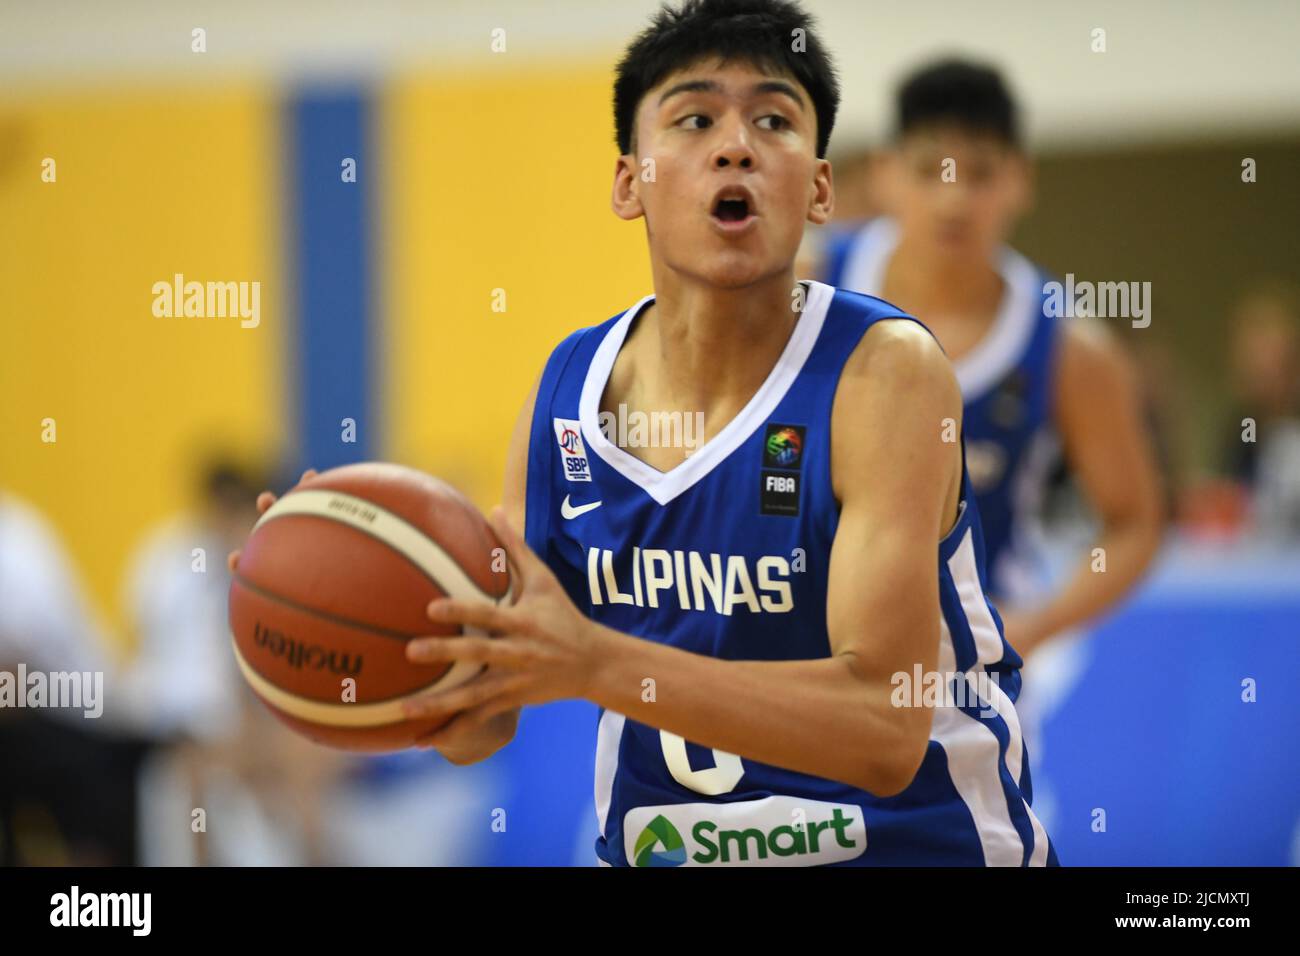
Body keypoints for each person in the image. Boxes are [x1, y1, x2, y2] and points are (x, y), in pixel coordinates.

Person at [236, 0, 1056, 866]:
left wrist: (596, 662)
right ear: (631, 183)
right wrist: (353, 605)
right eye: (694, 118)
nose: (735, 143)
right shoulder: (568, 395)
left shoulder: (882, 374)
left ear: (818, 189)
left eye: (774, 120)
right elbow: (481, 723)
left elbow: (884, 734)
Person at [820, 58, 1163, 659]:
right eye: (929, 171)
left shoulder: (1069, 344)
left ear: (1020, 180)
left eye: (979, 175)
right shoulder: (810, 284)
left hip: (973, 666)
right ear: (885, 175)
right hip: (813, 645)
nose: (953, 200)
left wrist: (1036, 625)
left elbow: (1134, 521)